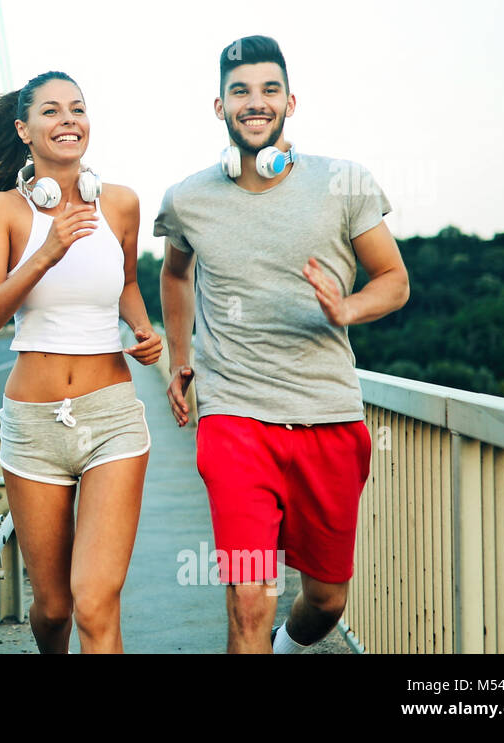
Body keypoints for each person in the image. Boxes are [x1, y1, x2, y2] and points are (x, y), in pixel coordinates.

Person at [154, 35, 410, 654]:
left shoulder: (343, 184)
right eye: (240, 91)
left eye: (269, 89)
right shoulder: (189, 199)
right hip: (235, 419)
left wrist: (346, 306)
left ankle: (291, 645)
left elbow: (395, 280)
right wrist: (181, 360)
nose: (255, 102)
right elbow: (174, 272)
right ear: (219, 107)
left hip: (328, 415)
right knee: (248, 596)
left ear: (291, 101)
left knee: (326, 598)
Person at [0, 71, 162, 654]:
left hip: (111, 418)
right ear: (24, 130)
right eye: (52, 111)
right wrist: (48, 251)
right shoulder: (3, 211)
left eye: (77, 109)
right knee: (53, 610)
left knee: (95, 601)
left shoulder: (121, 204)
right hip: (33, 425)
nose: (69, 120)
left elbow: (126, 283)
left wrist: (146, 330)